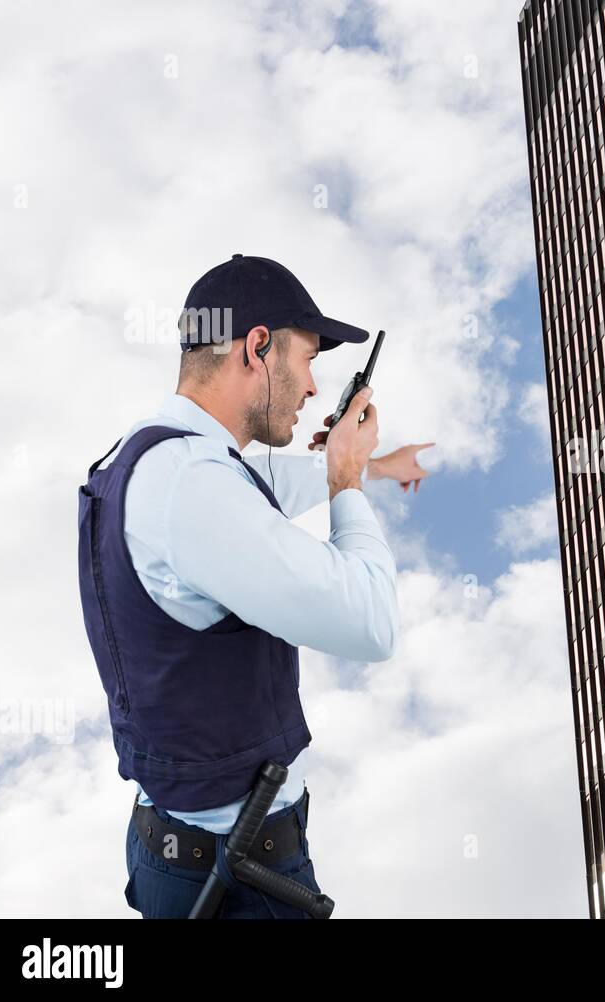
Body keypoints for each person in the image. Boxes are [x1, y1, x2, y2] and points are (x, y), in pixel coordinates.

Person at [77, 254, 433, 917]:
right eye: (305, 362)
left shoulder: (149, 458)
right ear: (258, 347)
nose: (309, 389)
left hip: (178, 851)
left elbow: (258, 487)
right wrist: (348, 483)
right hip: (241, 879)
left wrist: (369, 465)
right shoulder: (194, 485)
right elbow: (372, 624)